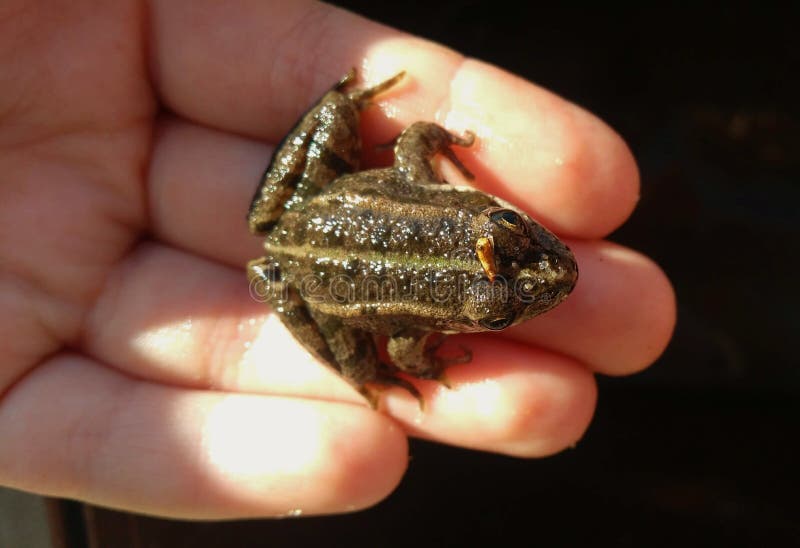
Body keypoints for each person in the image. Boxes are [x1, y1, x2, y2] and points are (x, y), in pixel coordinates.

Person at [0, 1, 675, 519]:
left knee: (340, 123)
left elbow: (416, 139)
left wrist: (432, 139)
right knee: (367, 365)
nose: (545, 270)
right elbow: (407, 342)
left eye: (509, 262)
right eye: (510, 298)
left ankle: (340, 108)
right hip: (303, 264)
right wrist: (404, 365)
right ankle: (357, 367)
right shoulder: (415, 308)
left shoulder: (429, 204)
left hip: (308, 211)